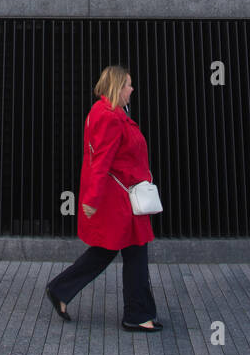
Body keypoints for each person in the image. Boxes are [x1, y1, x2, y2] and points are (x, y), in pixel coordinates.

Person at [45, 65, 163, 332]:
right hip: (119, 201)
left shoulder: (111, 113)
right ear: (118, 87)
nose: (132, 89)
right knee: (131, 253)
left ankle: (61, 289)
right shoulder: (110, 117)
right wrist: (92, 199)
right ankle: (137, 314)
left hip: (121, 198)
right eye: (129, 85)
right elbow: (101, 161)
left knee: (108, 252)